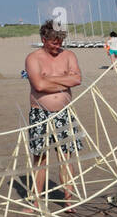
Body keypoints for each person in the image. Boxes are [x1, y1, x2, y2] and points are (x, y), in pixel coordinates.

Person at [24, 20, 85, 202]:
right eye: (53, 41)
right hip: (40, 113)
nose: (57, 45)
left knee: (66, 155)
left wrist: (51, 79)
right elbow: (39, 85)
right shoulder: (33, 58)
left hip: (64, 112)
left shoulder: (68, 55)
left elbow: (77, 79)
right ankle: (35, 199)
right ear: (44, 39)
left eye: (60, 41)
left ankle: (69, 198)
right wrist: (63, 80)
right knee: (40, 158)